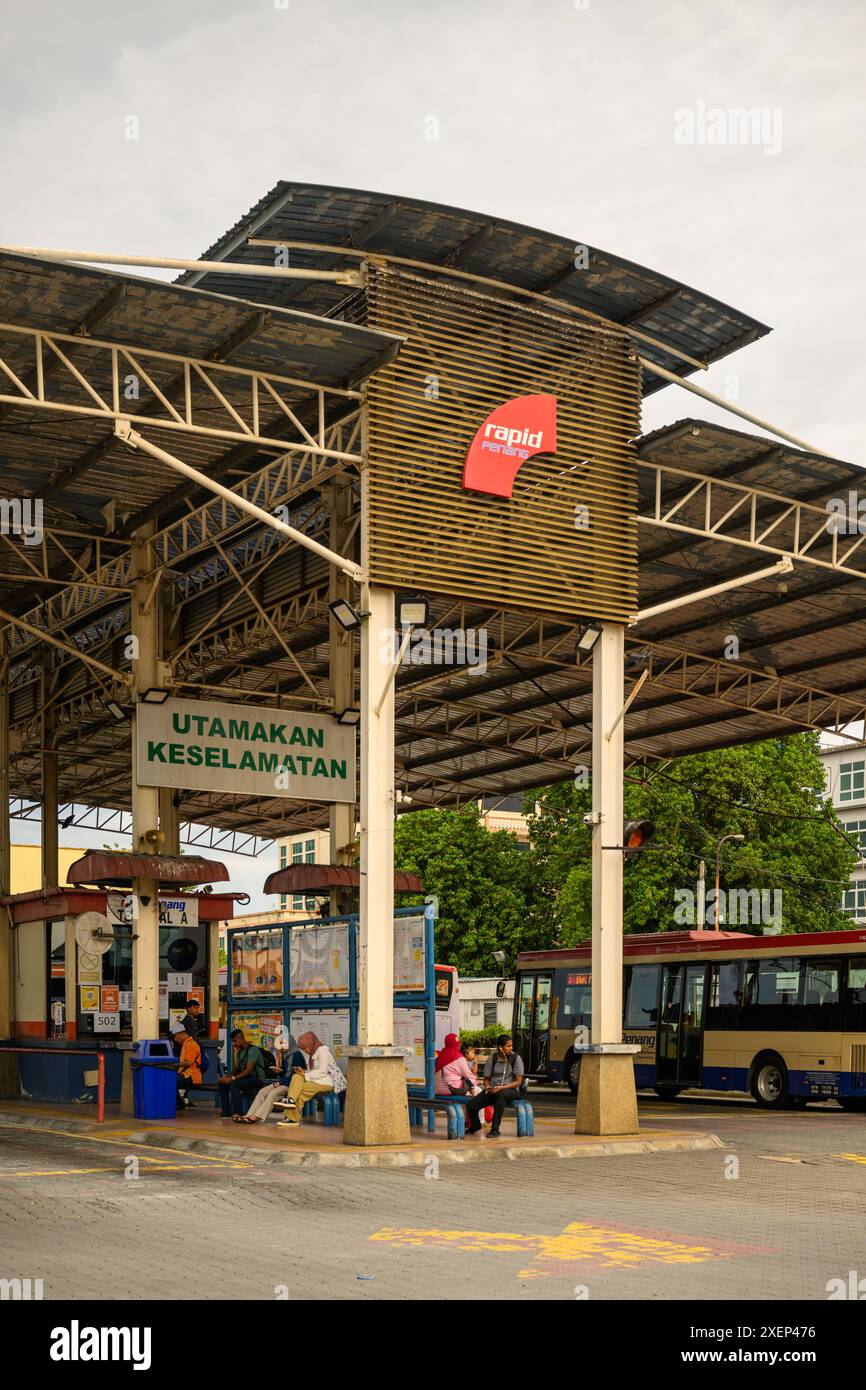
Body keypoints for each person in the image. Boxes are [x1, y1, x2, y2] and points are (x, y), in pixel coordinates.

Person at [275, 1030, 346, 1125]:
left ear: (310, 1042)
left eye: (306, 1048)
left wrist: (306, 1075)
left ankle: (292, 1118)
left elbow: (323, 1071)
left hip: (328, 1081)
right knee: (296, 1076)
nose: (305, 1050)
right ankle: (291, 1101)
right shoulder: (312, 1053)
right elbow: (313, 1072)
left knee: (300, 1090)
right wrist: (303, 1072)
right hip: (317, 1079)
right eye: (303, 1049)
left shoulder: (322, 1051)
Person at [464, 1035, 525, 1138]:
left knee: (500, 1095)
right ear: (500, 1048)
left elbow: (518, 1081)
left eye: (511, 1046)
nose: (511, 1048)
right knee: (471, 1105)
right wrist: (488, 1087)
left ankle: (495, 1129)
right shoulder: (492, 1059)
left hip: (510, 1089)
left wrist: (502, 1087)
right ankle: (475, 1126)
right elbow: (486, 1079)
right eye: (508, 1046)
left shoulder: (516, 1058)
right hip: (493, 1089)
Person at [237, 1040, 307, 1125]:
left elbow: (296, 1076)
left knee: (272, 1094)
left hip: (291, 1085)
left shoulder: (296, 1056)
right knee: (262, 1092)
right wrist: (279, 1071)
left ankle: (257, 1117)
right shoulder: (287, 1055)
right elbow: (286, 1072)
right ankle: (249, 1115)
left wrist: (280, 1083)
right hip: (282, 1082)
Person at [217, 1028, 269, 1118]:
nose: (234, 1044)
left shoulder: (253, 1050)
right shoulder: (239, 1052)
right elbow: (237, 1070)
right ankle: (226, 1112)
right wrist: (227, 1077)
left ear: (241, 1039)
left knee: (234, 1084)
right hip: (246, 1078)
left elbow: (248, 1070)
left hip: (257, 1079)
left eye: (235, 1041)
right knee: (222, 1083)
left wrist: (233, 1079)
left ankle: (239, 1113)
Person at [173, 1025, 202, 1109]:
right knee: (171, 1079)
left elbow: (189, 1062)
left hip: (191, 1076)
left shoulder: (191, 1044)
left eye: (176, 1036)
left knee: (171, 1081)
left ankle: (179, 1104)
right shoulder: (186, 1044)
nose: (175, 1039)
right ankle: (178, 1103)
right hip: (186, 1075)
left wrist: (176, 1064)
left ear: (181, 1034)